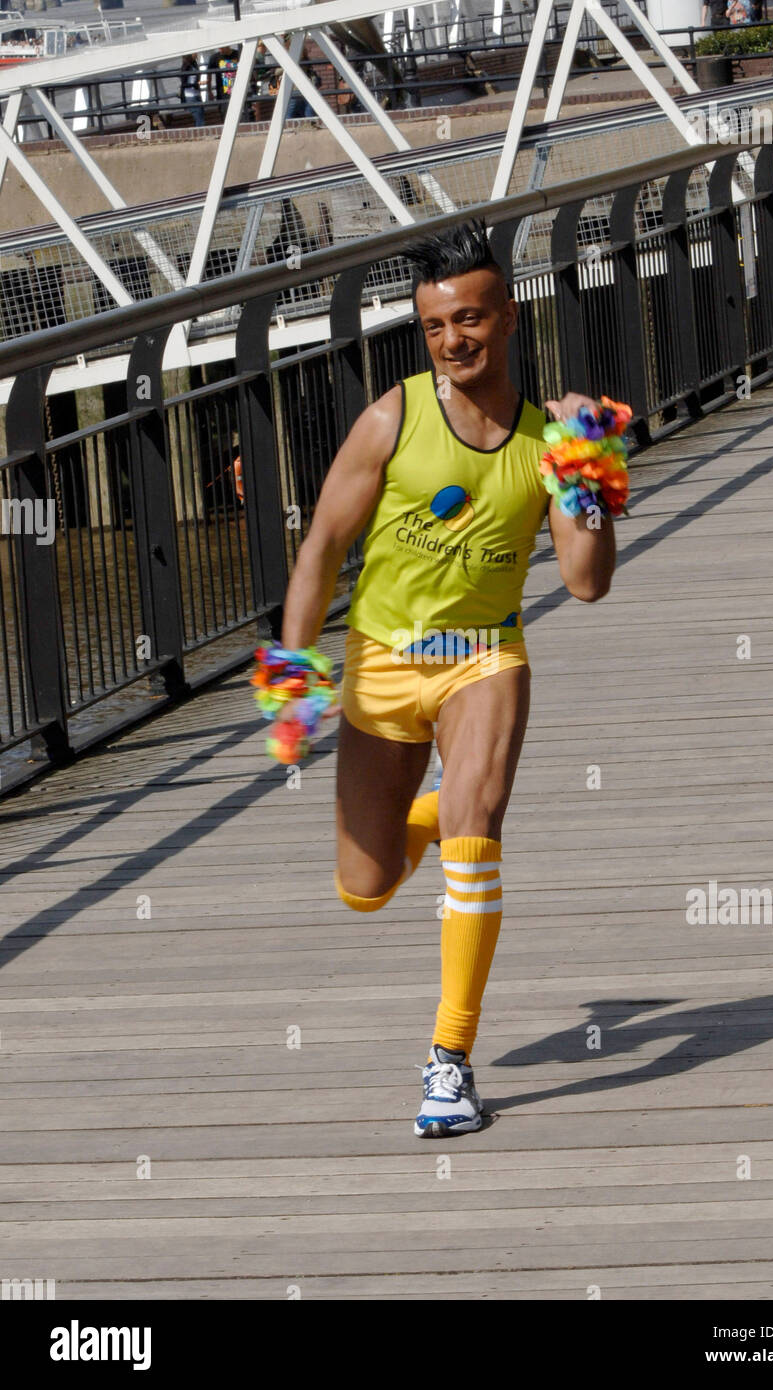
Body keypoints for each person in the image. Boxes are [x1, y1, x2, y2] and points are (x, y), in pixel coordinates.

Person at [279, 220, 616, 1138]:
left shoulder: (552, 440)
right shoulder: (391, 418)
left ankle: (450, 1062)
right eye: (434, 326)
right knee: (366, 882)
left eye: (469, 319)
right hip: (382, 664)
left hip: (482, 657)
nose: (452, 340)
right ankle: (418, 819)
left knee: (480, 825)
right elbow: (320, 548)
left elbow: (585, 583)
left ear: (509, 319)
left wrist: (591, 469)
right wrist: (293, 676)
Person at [179, 54, 204, 127]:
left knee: (200, 115)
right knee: (199, 117)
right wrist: (197, 83)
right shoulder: (186, 66)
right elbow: (184, 83)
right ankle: (201, 134)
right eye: (194, 52)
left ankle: (201, 133)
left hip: (197, 94)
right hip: (191, 96)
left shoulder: (194, 64)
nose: (196, 54)